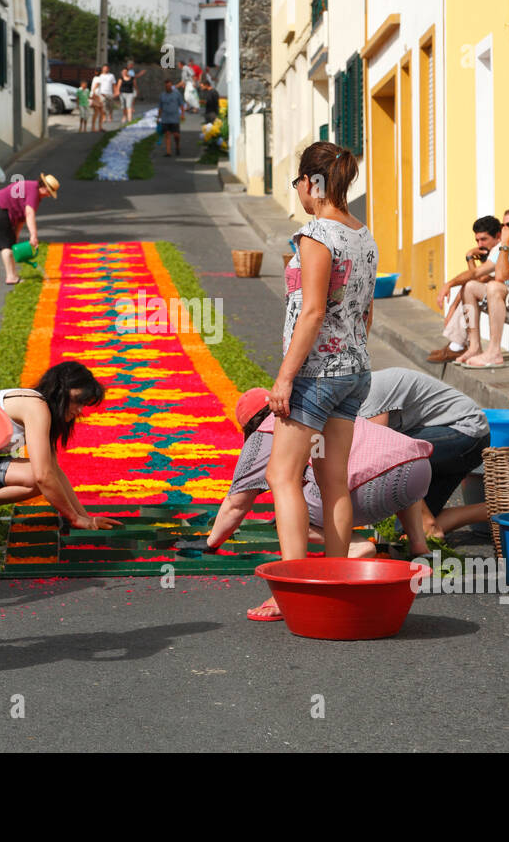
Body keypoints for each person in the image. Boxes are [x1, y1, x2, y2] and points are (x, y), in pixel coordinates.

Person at [251, 141, 378, 622]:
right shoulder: (363, 234)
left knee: (280, 476)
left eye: (299, 184)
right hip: (354, 369)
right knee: (333, 483)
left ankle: (290, 589)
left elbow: (312, 312)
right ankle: (337, 577)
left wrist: (285, 379)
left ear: (311, 183)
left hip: (316, 374)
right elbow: (365, 311)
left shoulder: (317, 234)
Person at [0, 361, 124, 562]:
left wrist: (84, 517)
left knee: (43, 474)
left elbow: (52, 471)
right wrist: (74, 518)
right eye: (77, 401)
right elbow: (44, 477)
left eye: (84, 404)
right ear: (59, 389)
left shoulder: (44, 410)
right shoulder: (34, 406)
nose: (80, 410)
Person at [206, 387, 433, 559]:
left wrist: (211, 544)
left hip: (373, 486)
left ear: (250, 426)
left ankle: (354, 546)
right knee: (395, 462)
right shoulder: (318, 408)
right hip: (419, 467)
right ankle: (419, 546)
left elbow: (237, 503)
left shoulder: (267, 430)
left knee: (289, 514)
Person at [357, 368, 491, 543]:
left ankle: (428, 524)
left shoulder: (369, 391)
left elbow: (378, 458)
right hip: (451, 446)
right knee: (406, 531)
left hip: (467, 433)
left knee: (390, 459)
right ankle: (495, 511)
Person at [456, 207, 509, 368]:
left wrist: (505, 242)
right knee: (470, 287)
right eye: (504, 225)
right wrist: (469, 258)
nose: (506, 229)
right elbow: (477, 274)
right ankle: (474, 347)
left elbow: (502, 276)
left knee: (494, 285)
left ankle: (494, 353)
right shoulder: (505, 248)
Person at [428, 215, 503, 363]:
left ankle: (458, 346)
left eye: (484, 239)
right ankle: (457, 345)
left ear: (498, 236)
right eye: (477, 240)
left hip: (503, 296)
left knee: (471, 288)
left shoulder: (499, 251)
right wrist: (453, 306)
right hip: (493, 293)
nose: (480, 244)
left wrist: (469, 258)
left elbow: (476, 279)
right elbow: (473, 281)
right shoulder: (492, 252)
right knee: (469, 289)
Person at [0, 172, 58, 284]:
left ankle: (13, 275)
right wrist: (33, 235)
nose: (48, 195)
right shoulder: (33, 191)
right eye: (48, 192)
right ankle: (11, 277)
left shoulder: (34, 192)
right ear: (42, 186)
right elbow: (29, 214)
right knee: (6, 244)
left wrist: (16, 236)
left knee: (10, 242)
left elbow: (22, 219)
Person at [158, 80, 187, 157]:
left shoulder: (177, 94)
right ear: (165, 87)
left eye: (169, 86)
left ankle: (177, 146)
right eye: (167, 86)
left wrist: (183, 114)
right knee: (167, 134)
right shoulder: (162, 95)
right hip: (165, 118)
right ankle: (168, 152)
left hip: (174, 118)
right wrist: (158, 118)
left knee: (176, 135)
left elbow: (181, 105)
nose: (168, 88)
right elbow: (160, 107)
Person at [93, 64, 117, 130]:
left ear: (108, 69)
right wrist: (94, 90)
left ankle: (110, 116)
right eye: (104, 68)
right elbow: (97, 83)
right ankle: (104, 117)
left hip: (110, 93)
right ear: (102, 69)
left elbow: (114, 84)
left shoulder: (111, 76)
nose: (105, 69)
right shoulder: (100, 76)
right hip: (102, 93)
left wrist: (116, 92)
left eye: (107, 68)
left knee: (110, 106)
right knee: (103, 106)